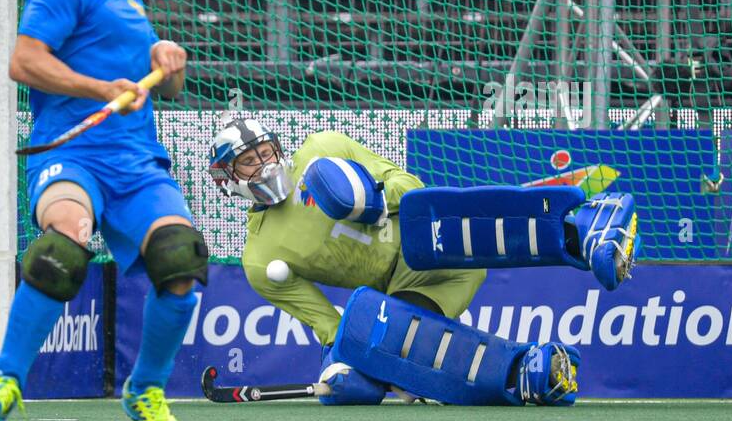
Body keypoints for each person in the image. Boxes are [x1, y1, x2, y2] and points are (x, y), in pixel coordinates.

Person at [0, 0, 206, 421]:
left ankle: (146, 388)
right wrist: (101, 88)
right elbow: (24, 62)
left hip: (137, 162)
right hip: (73, 154)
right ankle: (6, 379)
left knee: (181, 258)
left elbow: (168, 91)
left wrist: (170, 63)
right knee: (64, 242)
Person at [210, 116, 638, 405]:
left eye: (266, 152)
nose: (264, 165)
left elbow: (407, 183)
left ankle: (586, 230)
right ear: (229, 180)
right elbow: (331, 328)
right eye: (249, 161)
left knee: (450, 224)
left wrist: (372, 200)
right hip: (403, 296)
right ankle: (525, 375)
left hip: (423, 236)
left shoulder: (323, 149)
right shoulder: (260, 261)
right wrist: (349, 363)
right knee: (404, 349)